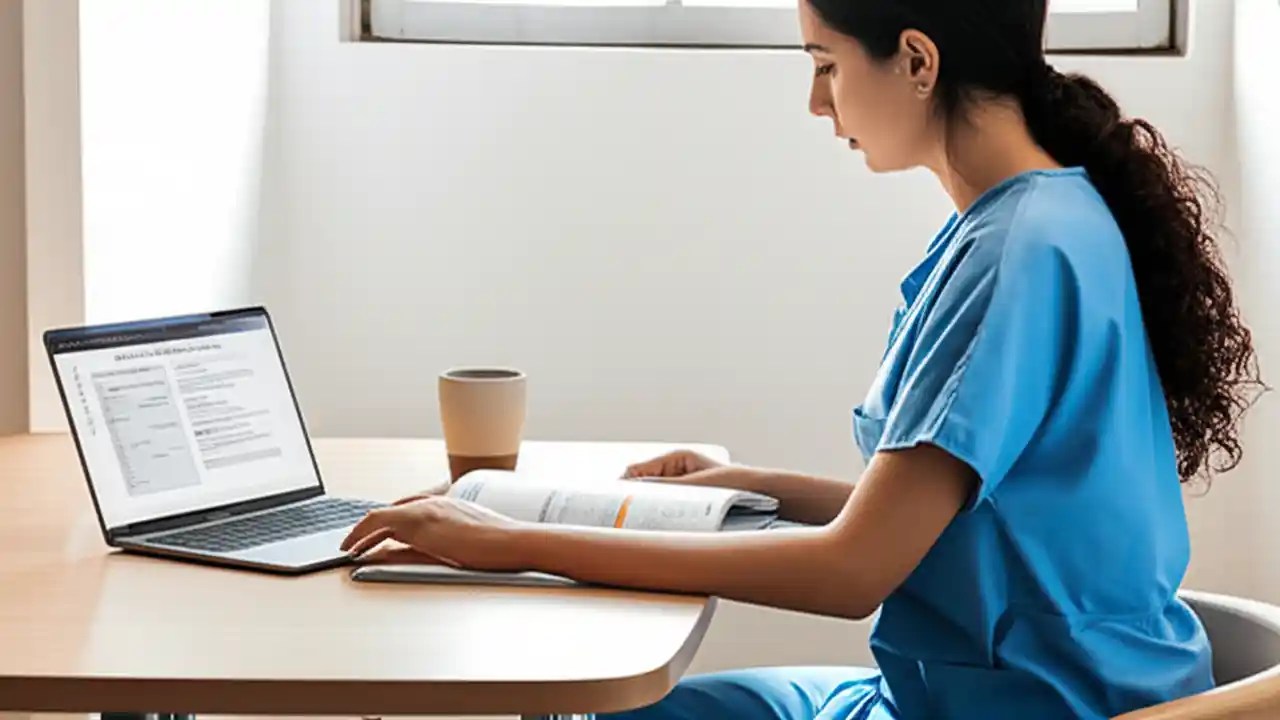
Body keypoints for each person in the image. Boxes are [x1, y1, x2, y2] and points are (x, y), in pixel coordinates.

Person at [341, 0, 1265, 717]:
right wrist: (750, 483)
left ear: (916, 60)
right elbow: (942, 516)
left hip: (1029, 707)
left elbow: (851, 571)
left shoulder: (1018, 252)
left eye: (824, 64)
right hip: (1001, 687)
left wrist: (514, 547)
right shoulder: (1048, 219)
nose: (815, 101)